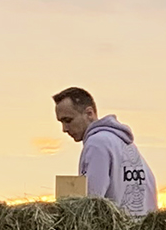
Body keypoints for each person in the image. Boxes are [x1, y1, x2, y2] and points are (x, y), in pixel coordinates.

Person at [53, 87, 156, 216]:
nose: (64, 129)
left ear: (89, 113)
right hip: (141, 225)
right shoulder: (126, 144)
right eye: (61, 122)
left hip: (115, 228)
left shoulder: (96, 144)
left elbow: (90, 202)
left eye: (68, 120)